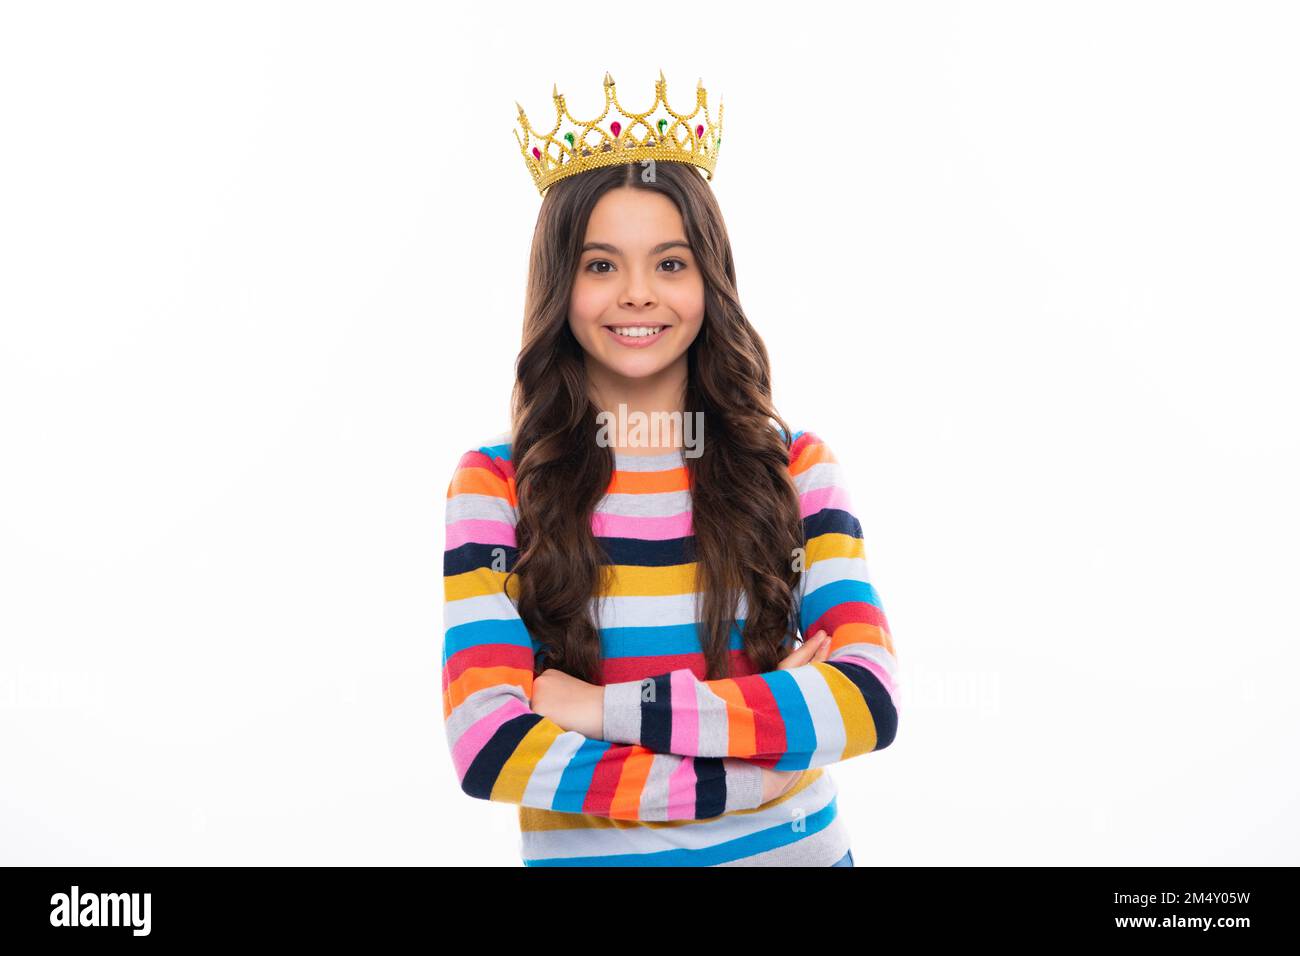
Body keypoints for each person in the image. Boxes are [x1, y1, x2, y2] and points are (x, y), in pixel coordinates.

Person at [441, 71, 898, 866]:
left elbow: (865, 700)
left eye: (672, 263)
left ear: (709, 279)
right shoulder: (496, 487)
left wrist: (598, 709)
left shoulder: (794, 468)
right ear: (561, 284)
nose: (639, 295)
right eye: (601, 265)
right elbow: (491, 748)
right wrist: (763, 768)